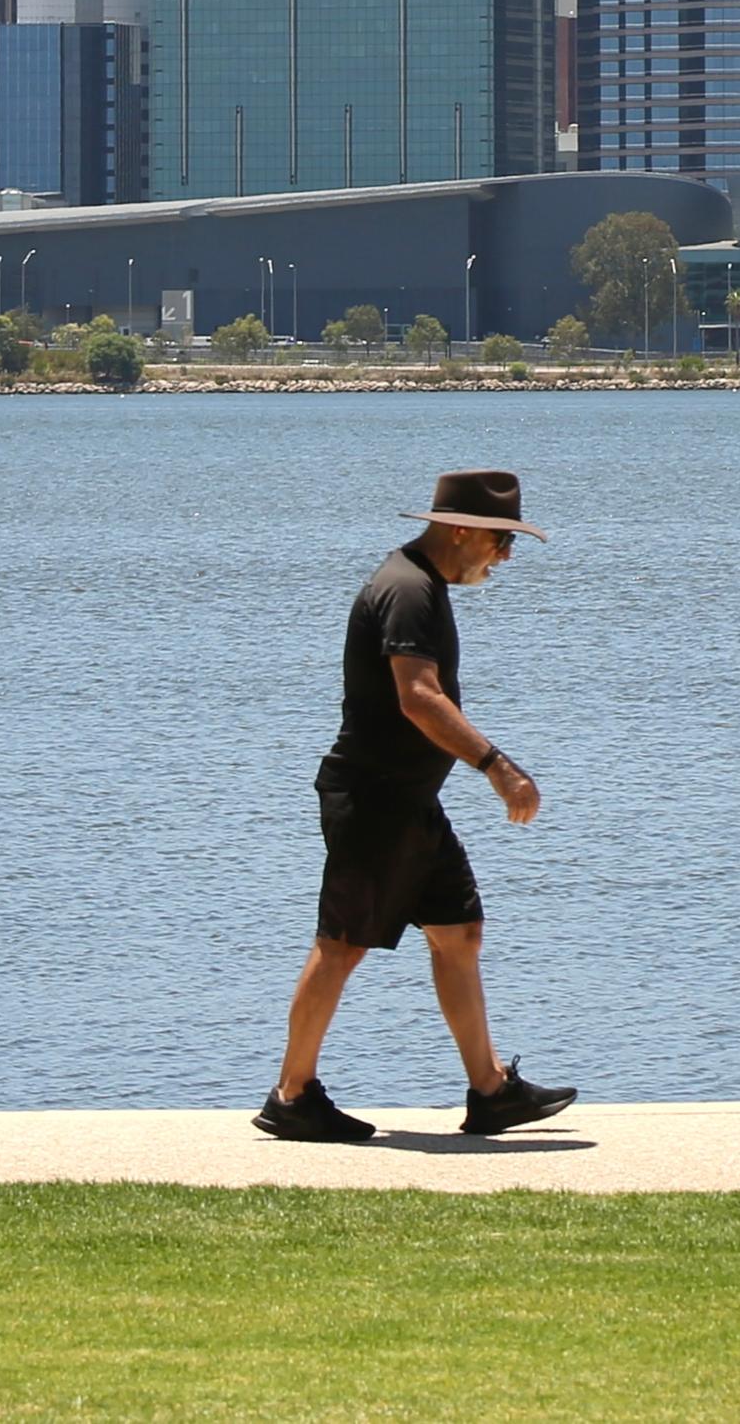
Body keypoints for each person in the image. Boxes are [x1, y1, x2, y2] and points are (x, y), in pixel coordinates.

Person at [255, 466, 579, 1143]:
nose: (506, 555)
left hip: (410, 799)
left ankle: (490, 1090)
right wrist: (499, 766)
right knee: (341, 945)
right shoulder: (407, 592)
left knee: (458, 932)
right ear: (461, 528)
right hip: (374, 799)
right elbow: (419, 696)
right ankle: (291, 1095)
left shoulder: (422, 585)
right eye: (500, 539)